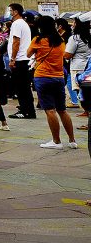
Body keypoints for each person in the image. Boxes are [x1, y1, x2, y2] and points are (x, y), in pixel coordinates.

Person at [29, 16, 78, 150]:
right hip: (58, 77)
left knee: (50, 110)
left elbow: (28, 54)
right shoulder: (60, 41)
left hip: (43, 77)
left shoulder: (38, 40)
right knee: (62, 110)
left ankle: (56, 141)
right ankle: (72, 140)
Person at [7, 3, 36, 119]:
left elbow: (16, 42)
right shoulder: (22, 23)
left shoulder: (17, 24)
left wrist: (13, 59)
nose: (9, 13)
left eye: (11, 11)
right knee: (23, 87)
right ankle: (27, 109)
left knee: (21, 87)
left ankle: (26, 110)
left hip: (20, 59)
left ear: (15, 12)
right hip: (23, 59)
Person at [66, 20, 91, 113]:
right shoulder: (89, 37)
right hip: (88, 66)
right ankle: (87, 113)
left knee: (79, 91)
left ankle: (87, 113)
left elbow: (68, 54)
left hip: (77, 67)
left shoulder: (74, 38)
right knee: (87, 92)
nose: (72, 25)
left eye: (74, 23)